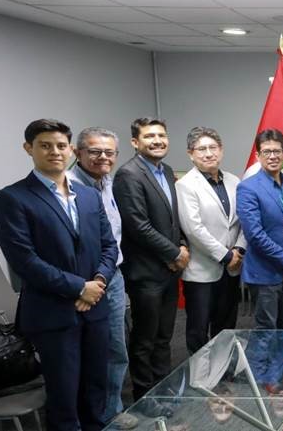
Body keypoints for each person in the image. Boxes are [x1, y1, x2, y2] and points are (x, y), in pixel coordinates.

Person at [0, 119, 118, 431]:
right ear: (29, 149)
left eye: (61, 145)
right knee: (64, 400)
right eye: (45, 145)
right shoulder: (12, 198)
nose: (54, 152)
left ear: (71, 149)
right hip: (54, 315)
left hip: (96, 309)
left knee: (95, 392)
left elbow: (109, 246)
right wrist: (79, 288)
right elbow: (25, 261)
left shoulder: (88, 196)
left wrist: (98, 283)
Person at [113, 117, 188, 403]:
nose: (157, 140)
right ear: (135, 142)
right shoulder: (128, 175)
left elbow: (172, 218)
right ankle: (144, 397)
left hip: (169, 271)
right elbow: (137, 225)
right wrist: (174, 253)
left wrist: (180, 244)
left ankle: (164, 388)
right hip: (146, 273)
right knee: (144, 339)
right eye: (149, 136)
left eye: (161, 135)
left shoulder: (166, 170)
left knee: (165, 335)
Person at [66, 127, 137, 430]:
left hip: (113, 276)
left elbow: (113, 237)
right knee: (84, 352)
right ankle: (87, 415)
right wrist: (88, 282)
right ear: (77, 152)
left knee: (116, 348)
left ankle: (112, 410)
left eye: (109, 152)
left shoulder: (107, 181)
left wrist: (107, 274)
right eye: (94, 151)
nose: (102, 157)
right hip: (81, 282)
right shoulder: (67, 186)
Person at [237, 129, 283, 391]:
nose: (272, 156)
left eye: (277, 151)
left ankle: (279, 376)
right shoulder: (248, 188)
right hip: (265, 272)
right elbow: (253, 234)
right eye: (266, 151)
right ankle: (259, 380)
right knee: (265, 327)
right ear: (258, 155)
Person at [175, 127, 246, 354]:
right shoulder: (185, 185)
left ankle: (222, 373)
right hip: (202, 271)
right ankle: (200, 380)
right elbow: (193, 229)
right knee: (198, 329)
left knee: (226, 327)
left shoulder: (235, 181)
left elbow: (245, 221)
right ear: (190, 154)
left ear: (221, 150)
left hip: (232, 267)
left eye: (212, 148)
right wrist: (226, 256)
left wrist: (239, 250)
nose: (208, 153)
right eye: (201, 149)